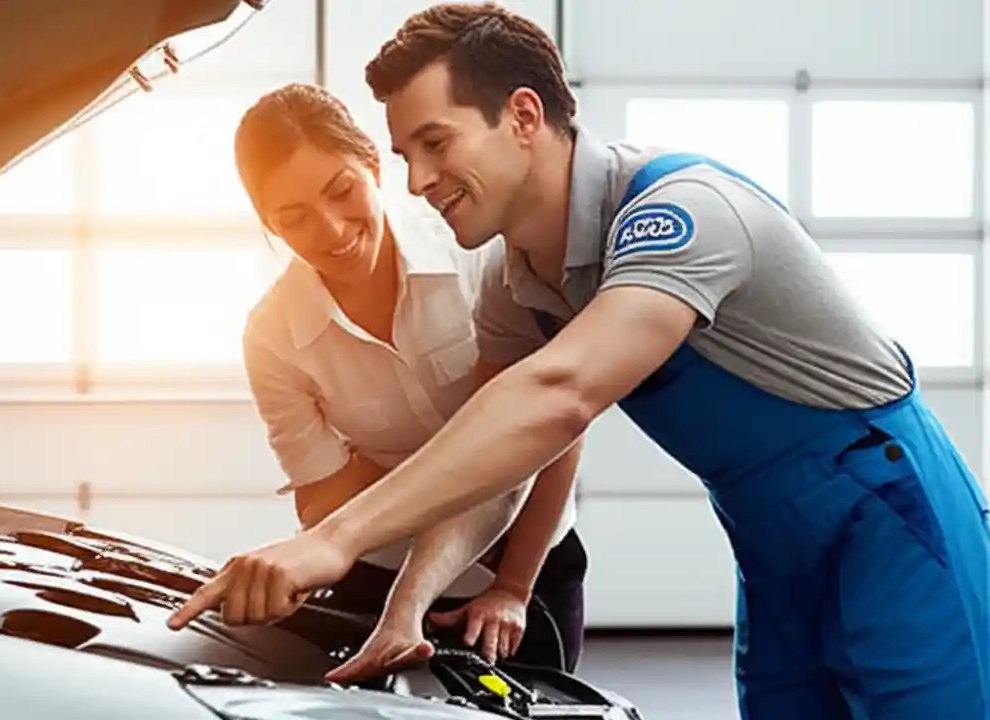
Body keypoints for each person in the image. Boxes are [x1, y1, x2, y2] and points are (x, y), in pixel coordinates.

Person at [170, 4, 990, 718]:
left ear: (523, 116)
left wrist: (338, 539)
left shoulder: (680, 214)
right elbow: (497, 459)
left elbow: (557, 398)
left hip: (886, 510)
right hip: (768, 539)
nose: (415, 180)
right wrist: (407, 605)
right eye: (405, 154)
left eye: (435, 143)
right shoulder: (517, 281)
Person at [230, 82, 588, 679]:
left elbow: (555, 425)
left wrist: (513, 587)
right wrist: (471, 482)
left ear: (372, 162)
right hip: (379, 572)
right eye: (292, 219)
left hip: (528, 556)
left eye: (342, 192)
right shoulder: (270, 337)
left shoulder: (476, 252)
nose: (331, 230)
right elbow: (320, 493)